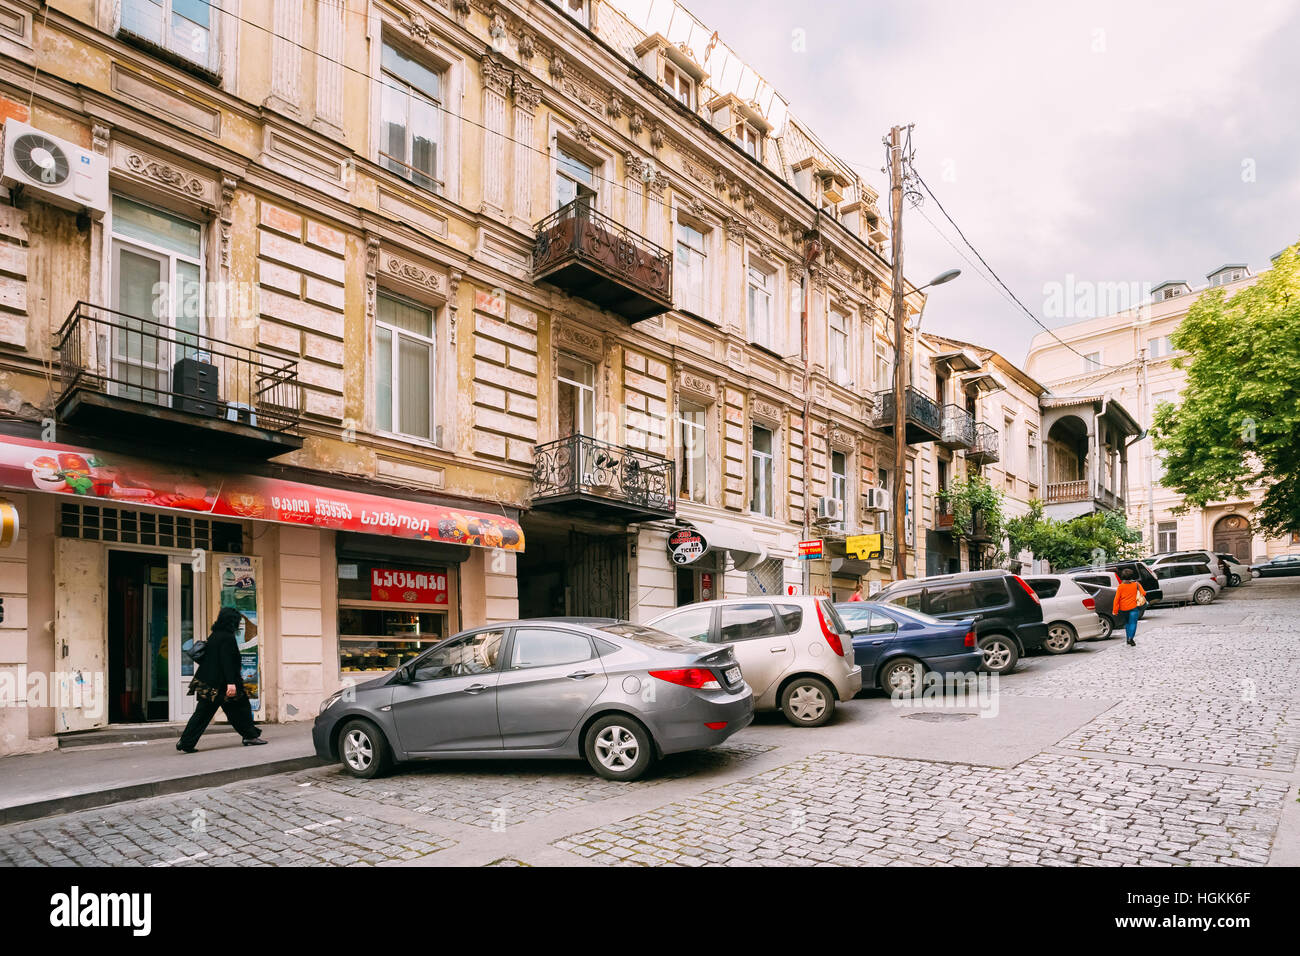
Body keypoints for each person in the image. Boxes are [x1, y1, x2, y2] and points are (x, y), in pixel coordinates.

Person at [177, 607, 267, 752]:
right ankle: (250, 736)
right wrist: (231, 683)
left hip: (207, 682)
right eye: (237, 621)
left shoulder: (215, 635)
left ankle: (186, 742)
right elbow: (227, 662)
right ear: (232, 621)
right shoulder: (227, 637)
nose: (239, 624)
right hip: (221, 684)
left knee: (203, 714)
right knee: (241, 708)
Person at [1111, 567, 1147, 646]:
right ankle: (1131, 638)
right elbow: (1144, 593)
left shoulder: (1120, 587)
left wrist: (1115, 610)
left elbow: (1116, 599)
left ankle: (1128, 639)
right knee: (1133, 623)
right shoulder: (1136, 584)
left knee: (1127, 623)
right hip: (1134, 607)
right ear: (1131, 576)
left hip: (1123, 608)